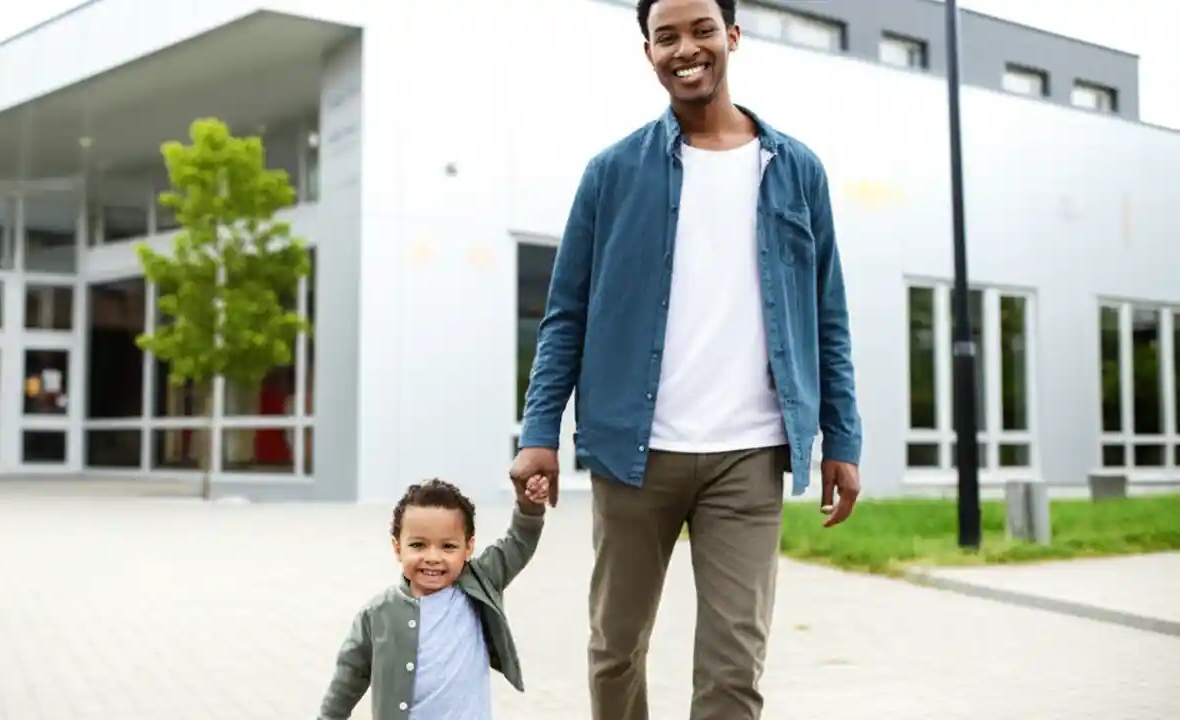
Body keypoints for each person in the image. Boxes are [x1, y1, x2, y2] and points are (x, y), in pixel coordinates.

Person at [509, 0, 863, 717]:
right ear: (648, 51)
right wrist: (538, 431)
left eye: (702, 30)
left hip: (750, 454)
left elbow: (827, 315)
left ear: (732, 35)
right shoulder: (611, 173)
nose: (686, 49)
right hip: (632, 452)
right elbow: (566, 314)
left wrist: (843, 438)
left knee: (734, 667)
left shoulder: (796, 170)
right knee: (616, 648)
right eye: (665, 36)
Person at [316, 476, 550, 720]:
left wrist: (529, 505)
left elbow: (519, 542)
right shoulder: (377, 613)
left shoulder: (481, 580)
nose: (433, 558)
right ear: (398, 548)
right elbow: (348, 678)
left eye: (448, 546)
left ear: (468, 548)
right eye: (418, 545)